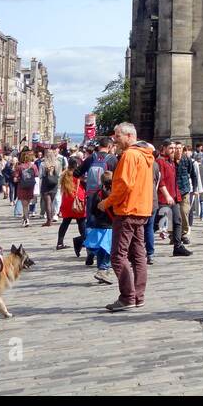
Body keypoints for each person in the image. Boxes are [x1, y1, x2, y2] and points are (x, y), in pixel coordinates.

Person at [97, 124, 155, 312]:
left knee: (118, 256)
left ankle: (128, 297)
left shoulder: (130, 155)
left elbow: (123, 186)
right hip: (141, 209)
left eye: (118, 135)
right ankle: (138, 296)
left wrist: (107, 202)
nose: (115, 139)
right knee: (138, 255)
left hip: (128, 210)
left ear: (130, 136)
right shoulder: (145, 154)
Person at [56, 159, 87, 255]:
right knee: (81, 221)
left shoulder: (65, 174)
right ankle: (84, 241)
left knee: (65, 222)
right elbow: (84, 183)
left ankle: (60, 242)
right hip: (77, 200)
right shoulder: (78, 174)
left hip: (67, 199)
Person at [14, 150, 38, 227]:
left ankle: (26, 219)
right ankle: (25, 218)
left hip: (22, 187)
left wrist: (18, 179)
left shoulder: (19, 167)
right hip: (30, 186)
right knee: (27, 204)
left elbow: (15, 179)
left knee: (24, 205)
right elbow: (36, 175)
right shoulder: (34, 166)